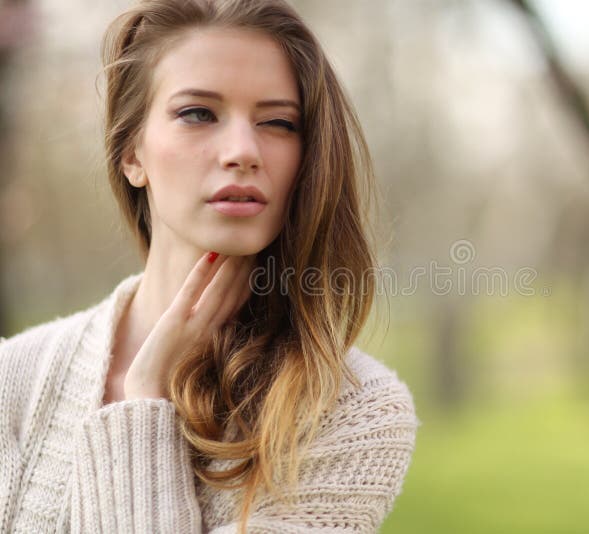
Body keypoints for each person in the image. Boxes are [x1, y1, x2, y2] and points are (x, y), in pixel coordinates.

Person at [0, 0, 419, 532]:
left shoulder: (355, 414)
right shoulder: (11, 380)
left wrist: (144, 399)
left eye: (278, 122)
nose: (243, 151)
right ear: (132, 154)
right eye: (198, 113)